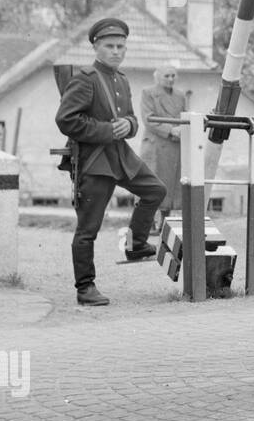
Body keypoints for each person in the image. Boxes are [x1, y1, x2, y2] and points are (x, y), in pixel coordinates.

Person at [54, 17, 167, 306]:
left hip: (120, 156)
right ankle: (85, 288)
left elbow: (131, 117)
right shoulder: (85, 79)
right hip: (95, 161)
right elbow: (66, 120)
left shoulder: (121, 79)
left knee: (155, 191)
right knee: (88, 229)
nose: (117, 51)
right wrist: (105, 130)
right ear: (96, 47)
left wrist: (128, 126)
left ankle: (136, 244)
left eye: (121, 46)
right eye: (110, 46)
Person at [140, 62, 186, 234]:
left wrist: (182, 129)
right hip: (155, 147)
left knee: (170, 184)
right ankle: (147, 223)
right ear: (158, 77)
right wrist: (170, 130)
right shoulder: (148, 93)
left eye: (173, 75)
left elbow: (185, 116)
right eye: (167, 76)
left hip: (174, 146)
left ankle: (164, 223)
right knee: (151, 183)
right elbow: (148, 119)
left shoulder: (181, 95)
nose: (170, 79)